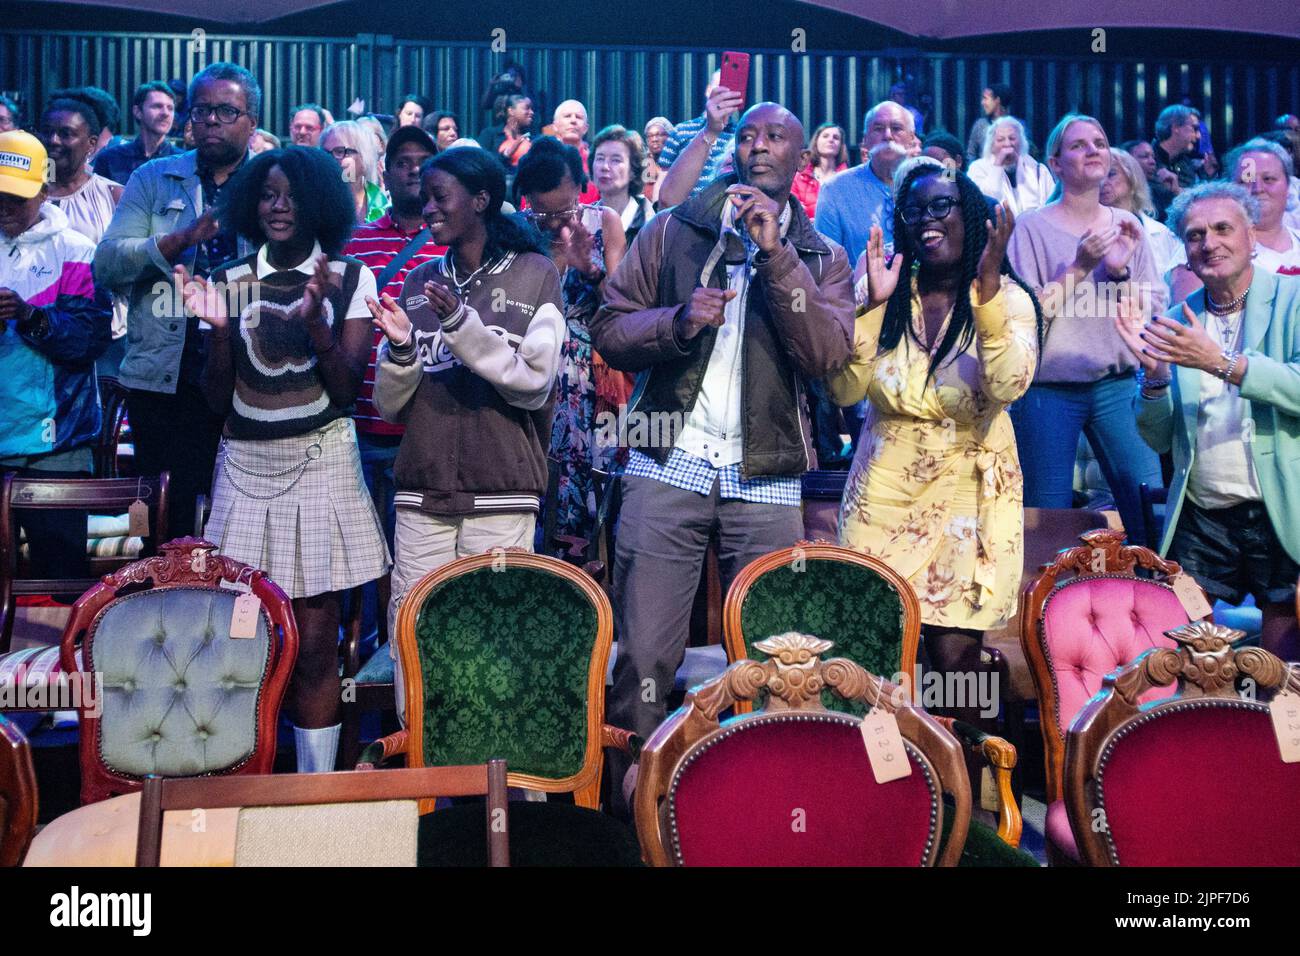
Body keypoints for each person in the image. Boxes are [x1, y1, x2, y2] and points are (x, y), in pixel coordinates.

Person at [591, 102, 855, 807]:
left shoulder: (822, 256)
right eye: (748, 134)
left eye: (775, 137)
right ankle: (631, 814)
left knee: (774, 660)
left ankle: (759, 810)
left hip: (764, 475)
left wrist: (777, 258)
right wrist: (677, 321)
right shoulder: (676, 230)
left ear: (802, 160)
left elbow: (828, 355)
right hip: (666, 460)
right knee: (644, 659)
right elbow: (610, 326)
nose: (758, 145)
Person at [182, 145, 388, 773]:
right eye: (268, 194)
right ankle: (247, 784)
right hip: (244, 466)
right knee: (244, 638)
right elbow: (219, 400)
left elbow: (348, 391)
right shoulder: (227, 281)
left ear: (320, 204)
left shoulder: (352, 278)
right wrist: (220, 331)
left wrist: (317, 324)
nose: (279, 207)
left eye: (293, 196)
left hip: (320, 460)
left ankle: (316, 793)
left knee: (317, 642)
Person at [366, 146, 564, 704]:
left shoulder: (534, 275)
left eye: (439, 197)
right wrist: (403, 349)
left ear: (480, 201)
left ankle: (489, 781)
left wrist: (460, 325)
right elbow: (390, 407)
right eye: (424, 196)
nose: (426, 207)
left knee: (494, 639)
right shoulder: (421, 280)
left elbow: (533, 383)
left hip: (501, 493)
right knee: (415, 634)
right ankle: (418, 774)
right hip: (422, 491)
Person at [831, 163, 1040, 680]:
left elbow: (1009, 385)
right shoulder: (884, 286)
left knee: (953, 669)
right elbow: (843, 389)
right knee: (871, 661)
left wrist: (987, 289)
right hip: (882, 494)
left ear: (971, 218)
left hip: (967, 499)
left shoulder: (1008, 298)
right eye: (915, 209)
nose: (928, 218)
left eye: (941, 206)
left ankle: (956, 762)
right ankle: (881, 762)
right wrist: (873, 307)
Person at [1118, 182, 1300, 661]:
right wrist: (1154, 380)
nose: (1209, 242)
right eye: (1195, 234)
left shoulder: (1293, 299)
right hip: (1202, 512)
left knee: (1280, 674)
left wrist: (1221, 361)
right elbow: (1159, 436)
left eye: (1223, 228)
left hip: (1279, 507)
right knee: (1188, 659)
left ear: (1252, 237)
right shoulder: (1178, 319)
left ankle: (1274, 737)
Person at [94, 62, 259, 539]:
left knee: (238, 521)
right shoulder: (153, 178)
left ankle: (235, 611)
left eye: (226, 111)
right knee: (162, 519)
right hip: (163, 374)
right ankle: (158, 608)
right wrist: (180, 238)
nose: (210, 120)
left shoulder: (273, 183)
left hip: (248, 375)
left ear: (252, 121)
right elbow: (106, 265)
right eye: (202, 110)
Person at [1007, 114, 1166, 544]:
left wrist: (1118, 274)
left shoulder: (1127, 226)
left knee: (1151, 506)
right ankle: (1046, 608)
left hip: (1117, 385)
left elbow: (1151, 309)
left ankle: (1155, 602)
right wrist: (1079, 268)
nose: (1093, 149)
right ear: (1056, 164)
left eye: (1099, 141)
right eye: (1079, 145)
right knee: (1046, 519)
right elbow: (1022, 316)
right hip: (1047, 391)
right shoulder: (1031, 227)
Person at [343, 125, 445, 639]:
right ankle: (363, 669)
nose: (412, 169)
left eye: (423, 161)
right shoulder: (356, 240)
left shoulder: (452, 244)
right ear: (384, 171)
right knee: (363, 560)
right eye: (401, 160)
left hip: (427, 429)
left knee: (417, 560)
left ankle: (410, 659)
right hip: (361, 428)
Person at [0, 130, 112, 582]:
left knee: (62, 580)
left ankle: (60, 654)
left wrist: (29, 317)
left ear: (43, 190)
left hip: (55, 447)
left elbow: (88, 342)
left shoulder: (77, 252)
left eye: (16, 196)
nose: (5, 206)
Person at [515, 137, 626, 550]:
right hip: (530, 365)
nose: (552, 220)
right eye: (542, 210)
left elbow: (624, 307)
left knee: (588, 491)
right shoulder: (516, 228)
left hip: (590, 377)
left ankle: (587, 587)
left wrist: (590, 271)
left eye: (563, 208)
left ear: (581, 187)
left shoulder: (604, 222)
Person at [1169, 138, 1300, 302]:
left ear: (1289, 186)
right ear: (1229, 188)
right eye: (1246, 180)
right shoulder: (1204, 245)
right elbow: (1187, 317)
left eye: (1268, 179)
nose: (1257, 189)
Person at [815, 101, 914, 270]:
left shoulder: (930, 182)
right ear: (865, 141)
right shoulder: (835, 190)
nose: (888, 135)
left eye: (896, 128)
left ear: (911, 138)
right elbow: (825, 265)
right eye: (878, 129)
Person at [38, 94, 124, 243]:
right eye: (47, 132)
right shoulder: (22, 191)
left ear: (91, 143)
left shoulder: (114, 195)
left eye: (66, 134)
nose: (54, 140)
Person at [655, 72, 741, 206]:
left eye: (731, 90)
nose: (725, 95)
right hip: (681, 216)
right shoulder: (681, 131)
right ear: (708, 90)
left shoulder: (740, 136)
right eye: (720, 87)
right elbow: (663, 179)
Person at [1101, 147, 1183, 278]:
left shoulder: (1162, 234)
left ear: (1132, 178)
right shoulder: (1087, 232)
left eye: (1111, 174)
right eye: (1098, 176)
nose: (1102, 182)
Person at [92, 82, 179, 187]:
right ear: (137, 111)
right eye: (157, 106)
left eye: (170, 108)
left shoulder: (183, 161)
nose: (165, 113)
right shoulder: (109, 159)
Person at [967, 116, 1056, 216]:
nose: (1007, 144)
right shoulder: (977, 169)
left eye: (1012, 138)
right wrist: (998, 164)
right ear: (991, 145)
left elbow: (1053, 208)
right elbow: (985, 204)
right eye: (1000, 140)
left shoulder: (1038, 171)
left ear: (1021, 143)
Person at [592, 125, 655, 246]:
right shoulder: (584, 218)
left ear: (633, 170)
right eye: (600, 158)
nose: (605, 167)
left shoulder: (649, 219)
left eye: (616, 160)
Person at [320, 120, 386, 224]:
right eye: (325, 153)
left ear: (365, 158)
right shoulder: (313, 203)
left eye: (340, 152)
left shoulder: (384, 206)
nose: (330, 160)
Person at [791, 122, 848, 220]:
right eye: (825, 136)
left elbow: (847, 213)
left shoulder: (848, 179)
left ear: (841, 146)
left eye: (836, 137)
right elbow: (792, 210)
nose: (831, 140)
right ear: (816, 141)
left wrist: (808, 209)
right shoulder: (798, 177)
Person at [549, 100, 600, 204]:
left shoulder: (597, 162)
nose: (573, 120)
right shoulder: (541, 161)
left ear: (586, 128)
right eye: (567, 116)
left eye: (578, 117)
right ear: (555, 126)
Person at [1120, 138, 1177, 221]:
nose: (1152, 162)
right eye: (1145, 156)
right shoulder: (1116, 193)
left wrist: (1175, 191)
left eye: (1153, 157)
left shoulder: (1160, 193)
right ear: (1126, 161)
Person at [1154, 105, 1205, 191]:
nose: (1199, 136)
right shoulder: (1146, 160)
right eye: (1194, 128)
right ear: (1176, 127)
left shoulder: (1185, 163)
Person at [478, 94, 534, 172]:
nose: (531, 112)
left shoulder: (532, 139)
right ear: (511, 111)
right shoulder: (490, 135)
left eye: (531, 109)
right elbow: (480, 163)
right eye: (527, 108)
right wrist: (507, 153)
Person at [966, 83, 1013, 164]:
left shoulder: (1017, 126)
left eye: (985, 98)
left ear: (997, 100)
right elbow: (971, 154)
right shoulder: (980, 125)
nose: (982, 103)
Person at [642, 116, 673, 205]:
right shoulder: (643, 166)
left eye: (659, 134)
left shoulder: (680, 163)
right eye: (650, 136)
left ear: (670, 137)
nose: (654, 139)